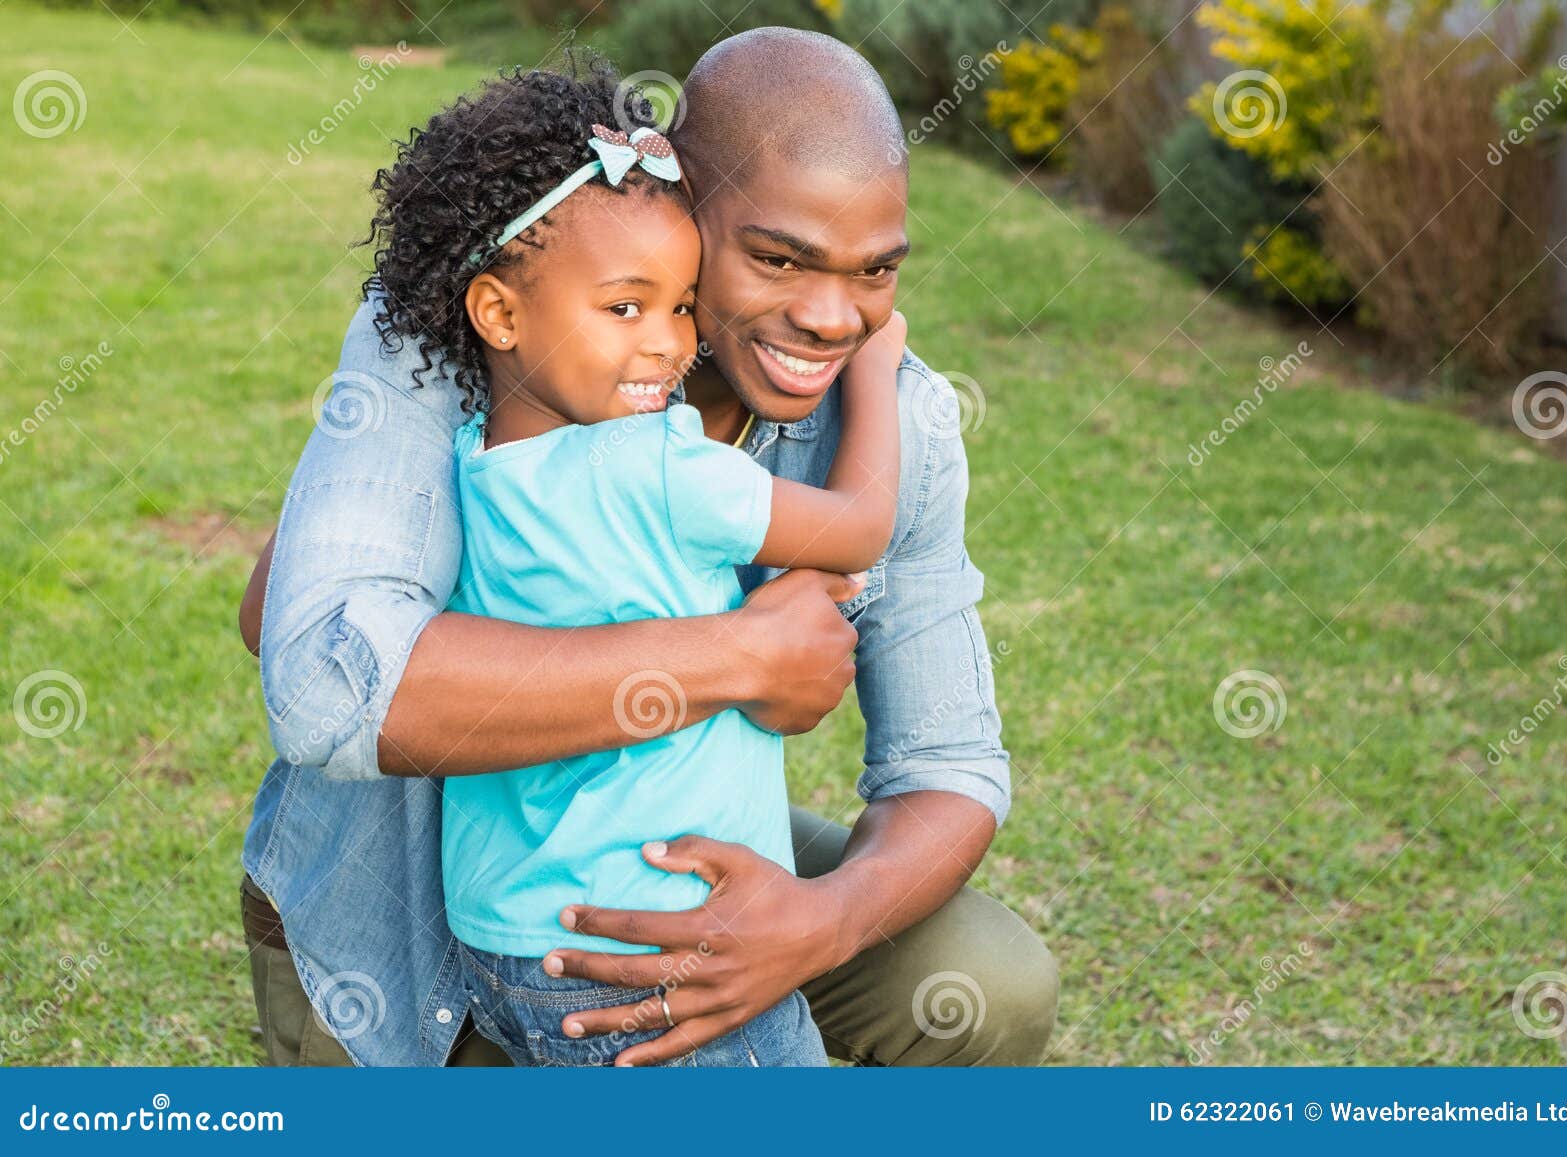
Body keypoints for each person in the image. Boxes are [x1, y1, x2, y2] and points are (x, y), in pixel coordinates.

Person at [239, 27, 1058, 1068]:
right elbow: (316, 670)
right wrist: (741, 655)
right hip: (401, 910)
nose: (826, 317)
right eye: (774, 256)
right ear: (675, 197)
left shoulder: (892, 417)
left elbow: (948, 763)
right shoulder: (476, 313)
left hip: (636, 855)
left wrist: (824, 919)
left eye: (874, 273)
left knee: (988, 983)